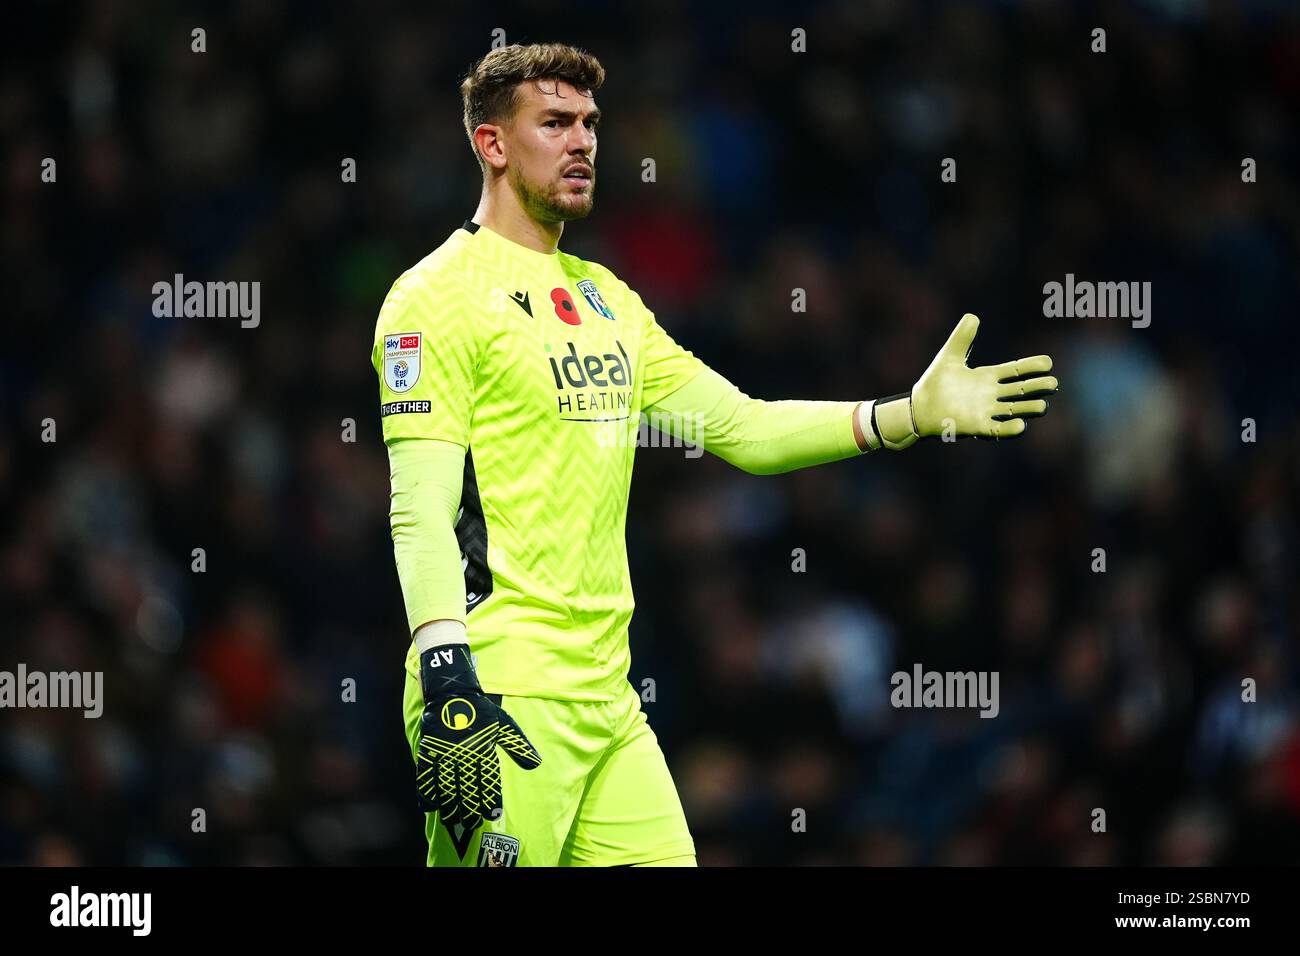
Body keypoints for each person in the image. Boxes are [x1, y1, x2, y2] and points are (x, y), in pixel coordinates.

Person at [372, 42, 1059, 867]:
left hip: (608, 703)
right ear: (492, 144)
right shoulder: (433, 297)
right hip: (498, 689)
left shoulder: (608, 300)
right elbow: (420, 507)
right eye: (554, 123)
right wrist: (446, 669)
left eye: (590, 123)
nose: (583, 141)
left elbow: (747, 429)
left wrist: (904, 415)